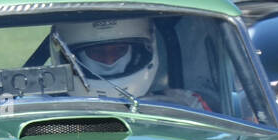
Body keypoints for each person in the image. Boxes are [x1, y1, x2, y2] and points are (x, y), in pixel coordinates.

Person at [52, 18, 212, 111]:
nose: (109, 60)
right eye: (97, 53)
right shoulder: (49, 112)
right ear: (69, 58)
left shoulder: (186, 105)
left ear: (141, 54)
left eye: (119, 51)